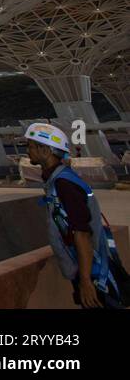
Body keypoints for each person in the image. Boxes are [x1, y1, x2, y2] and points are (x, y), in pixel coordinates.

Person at [25, 122, 127, 309]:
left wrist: (86, 281)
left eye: (30, 146)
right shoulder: (59, 180)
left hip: (93, 271)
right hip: (87, 267)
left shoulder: (64, 184)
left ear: (46, 150)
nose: (27, 151)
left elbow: (82, 233)